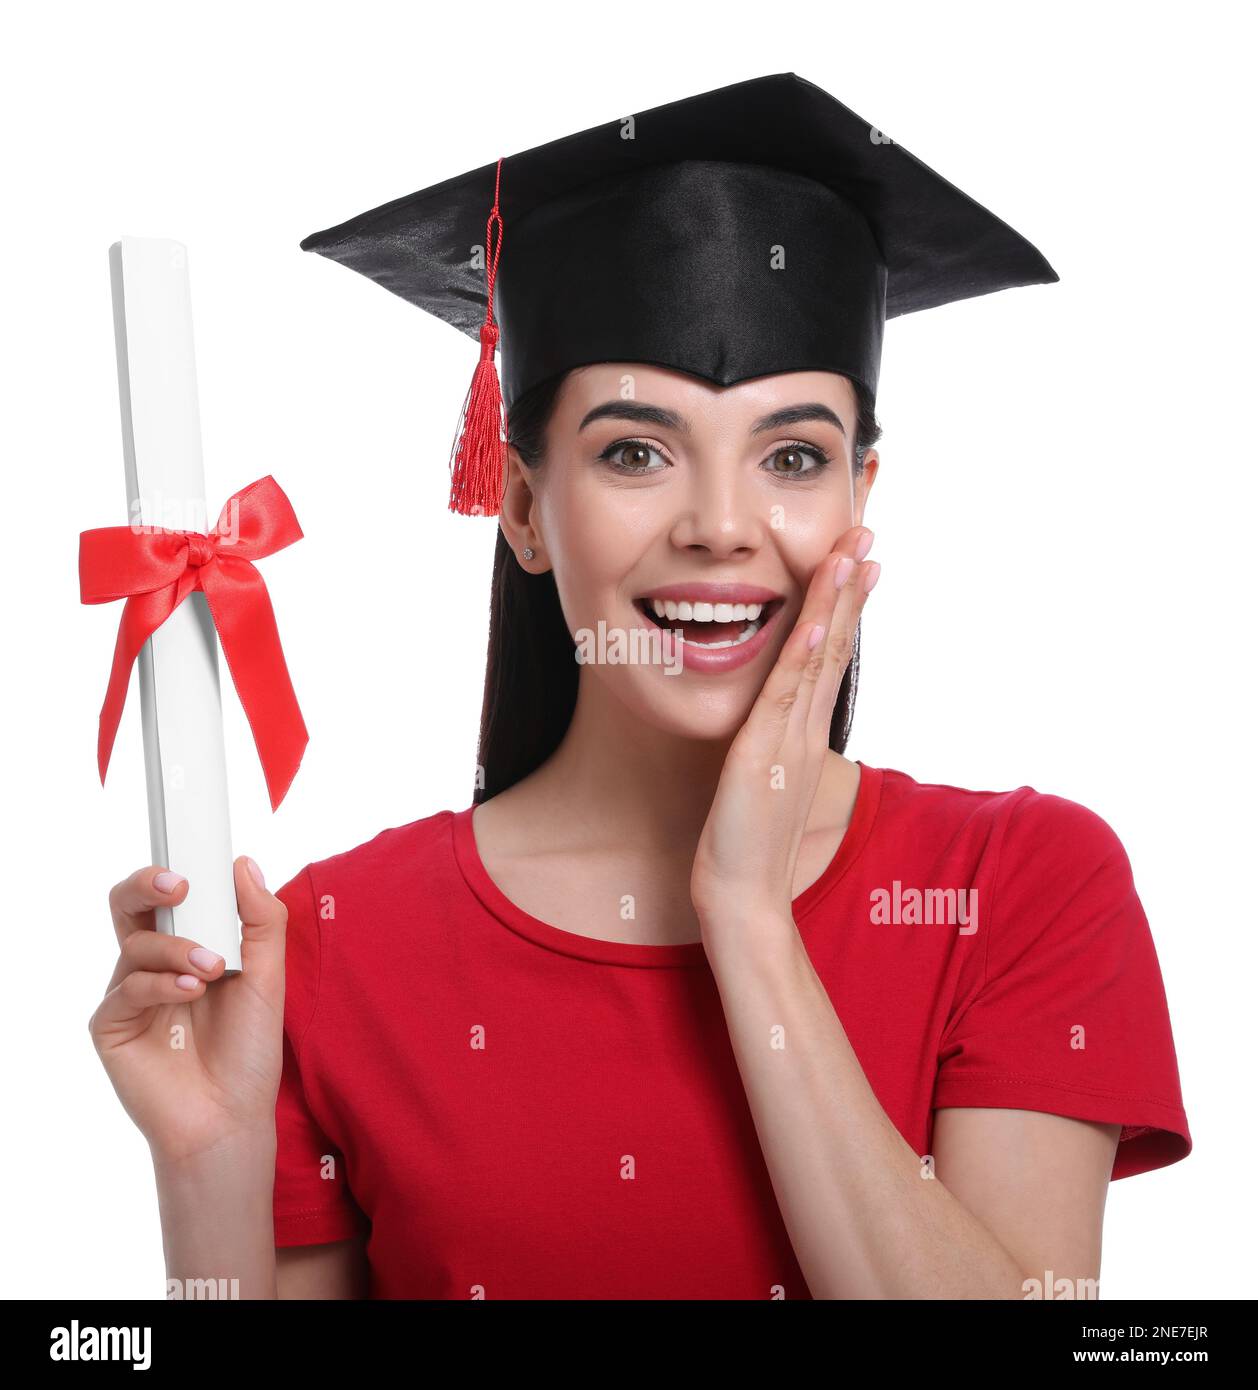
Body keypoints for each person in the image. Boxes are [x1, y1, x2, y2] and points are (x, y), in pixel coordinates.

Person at [89, 73, 1190, 1300]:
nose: (721, 526)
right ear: (519, 506)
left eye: (791, 455)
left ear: (858, 500)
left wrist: (748, 919)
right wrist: (207, 1165)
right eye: (634, 451)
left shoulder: (1019, 885)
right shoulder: (330, 945)